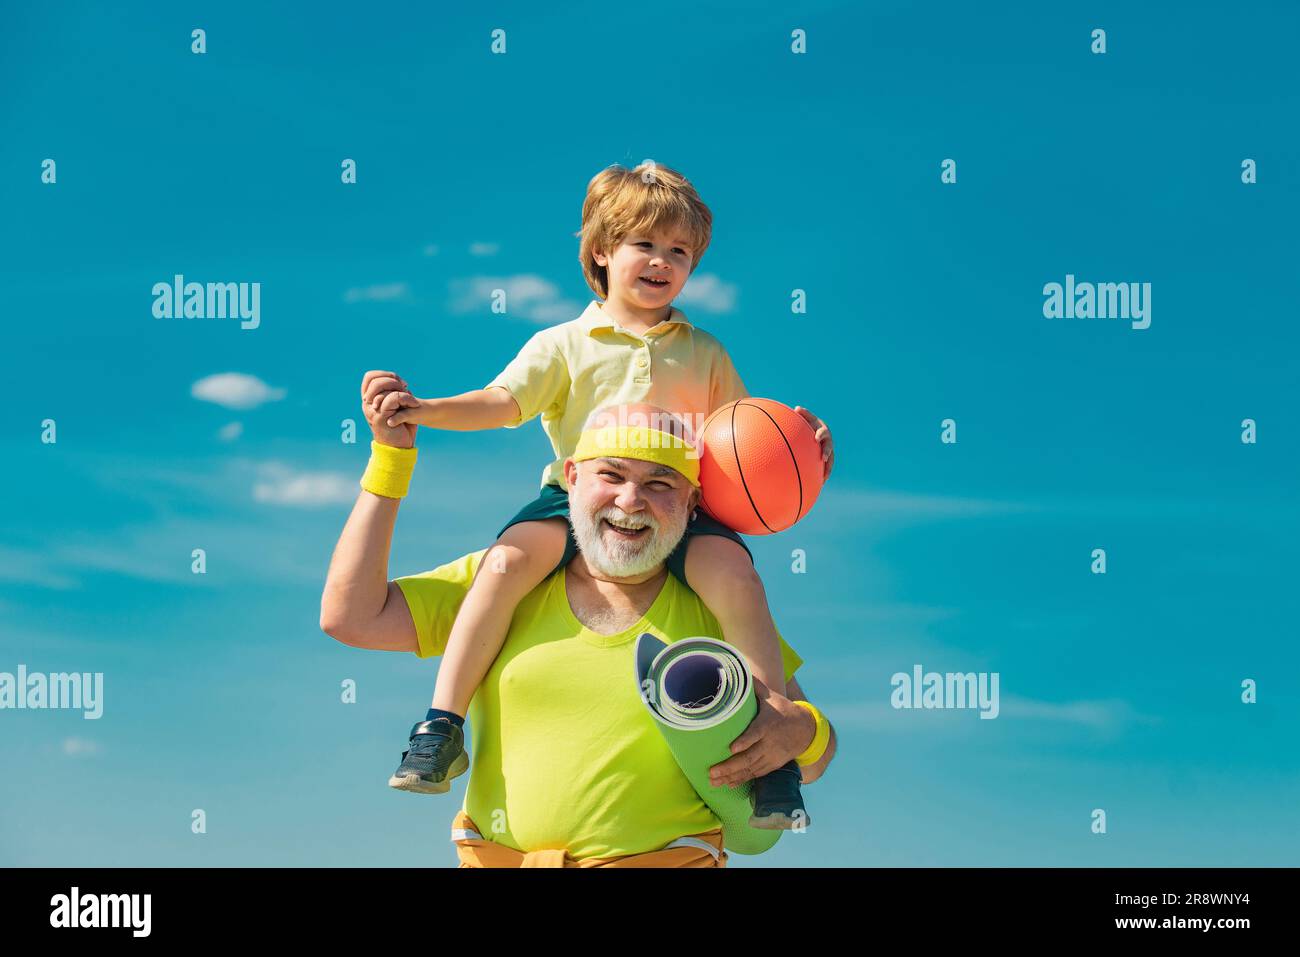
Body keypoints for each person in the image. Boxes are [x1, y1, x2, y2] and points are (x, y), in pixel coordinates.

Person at [364, 161, 834, 827]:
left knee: (735, 572)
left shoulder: (705, 352)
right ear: (603, 251)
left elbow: (744, 442)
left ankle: (770, 747)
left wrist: (804, 449)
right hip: (575, 501)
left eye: (680, 252)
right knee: (501, 565)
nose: (662, 262)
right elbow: (503, 403)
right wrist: (427, 409)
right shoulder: (565, 343)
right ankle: (440, 725)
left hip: (678, 505)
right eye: (646, 244)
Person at [319, 396, 837, 866]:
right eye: (611, 474)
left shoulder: (717, 602)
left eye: (660, 483)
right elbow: (351, 615)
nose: (631, 500)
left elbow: (812, 751)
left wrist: (805, 734)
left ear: (692, 502)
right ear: (571, 478)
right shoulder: (503, 579)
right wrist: (391, 458)